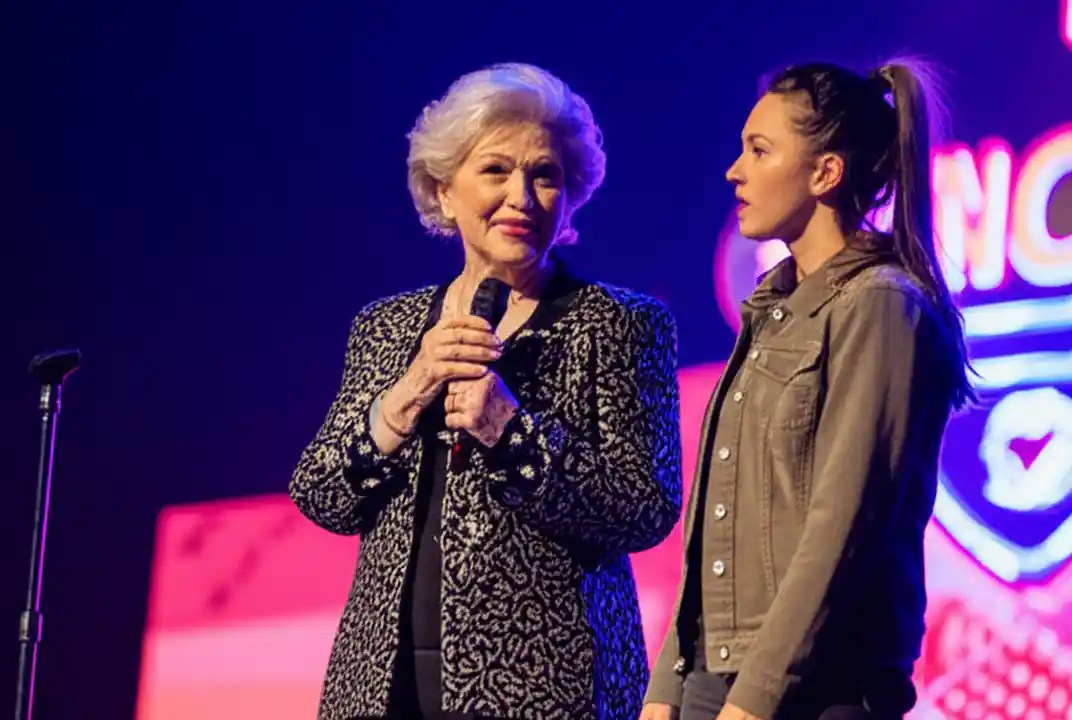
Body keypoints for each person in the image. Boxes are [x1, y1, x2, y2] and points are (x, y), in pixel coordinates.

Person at [289, 62, 683, 720]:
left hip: (551, 690)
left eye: (545, 175)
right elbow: (321, 494)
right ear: (443, 190)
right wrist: (406, 397)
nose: (522, 197)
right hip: (381, 690)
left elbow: (645, 509)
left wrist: (511, 430)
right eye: (496, 170)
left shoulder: (619, 324)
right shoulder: (386, 328)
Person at [642, 59, 974, 720]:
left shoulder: (879, 307)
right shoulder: (773, 309)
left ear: (826, 172)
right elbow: (717, 521)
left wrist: (756, 700)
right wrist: (667, 688)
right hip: (720, 675)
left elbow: (842, 524)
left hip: (818, 687)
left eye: (759, 151)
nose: (734, 171)